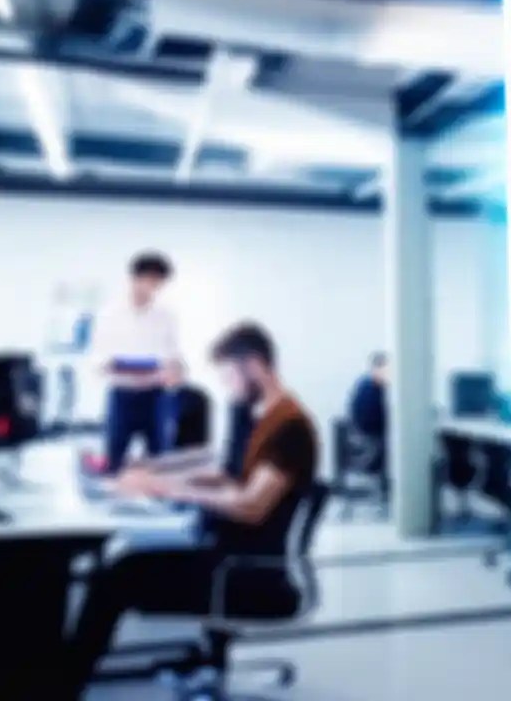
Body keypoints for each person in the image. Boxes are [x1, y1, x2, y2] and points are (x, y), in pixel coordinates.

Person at [63, 322, 318, 694]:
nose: (227, 387)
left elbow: (251, 506)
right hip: (224, 552)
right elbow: (225, 472)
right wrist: (158, 476)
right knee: (125, 556)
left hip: (243, 574)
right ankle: (66, 673)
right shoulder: (261, 417)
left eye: (228, 376)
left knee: (116, 575)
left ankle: (64, 683)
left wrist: (167, 487)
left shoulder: (289, 428)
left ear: (255, 365)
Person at [91, 252, 183, 472]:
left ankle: (157, 504)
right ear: (134, 278)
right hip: (122, 394)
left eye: (159, 283)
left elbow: (173, 357)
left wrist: (174, 371)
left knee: (160, 460)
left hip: (155, 396)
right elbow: (99, 362)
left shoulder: (166, 316)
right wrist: (120, 367)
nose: (154, 288)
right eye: (150, 281)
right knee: (114, 459)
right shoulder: (109, 315)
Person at [346, 351, 388, 480]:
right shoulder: (369, 388)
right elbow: (371, 418)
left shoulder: (366, 384)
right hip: (369, 436)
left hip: (364, 433)